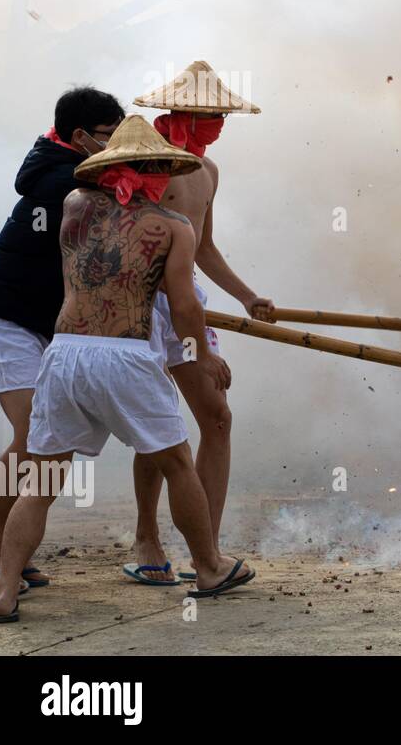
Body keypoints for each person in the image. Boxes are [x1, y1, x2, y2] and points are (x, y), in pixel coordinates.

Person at [0, 116, 254, 623]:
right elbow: (184, 308)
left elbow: (61, 175)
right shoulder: (173, 228)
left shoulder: (73, 208)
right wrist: (202, 354)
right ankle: (209, 567)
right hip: (125, 356)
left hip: (65, 354)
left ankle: (3, 593)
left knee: (40, 481)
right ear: (155, 170)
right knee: (177, 463)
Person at [124, 62, 272, 585]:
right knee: (157, 424)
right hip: (143, 306)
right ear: (184, 111)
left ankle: (206, 551)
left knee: (217, 418)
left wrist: (248, 296)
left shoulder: (208, 172)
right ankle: (147, 537)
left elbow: (203, 246)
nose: (217, 123)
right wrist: (177, 309)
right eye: (210, 114)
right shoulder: (143, 160)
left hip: (187, 300)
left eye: (222, 114)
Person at [0, 87, 124, 593]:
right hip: (6, 320)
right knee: (32, 441)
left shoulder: (70, 166)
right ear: (79, 138)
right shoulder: (65, 181)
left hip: (44, 325)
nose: (116, 149)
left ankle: (10, 553)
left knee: (51, 444)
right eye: (109, 139)